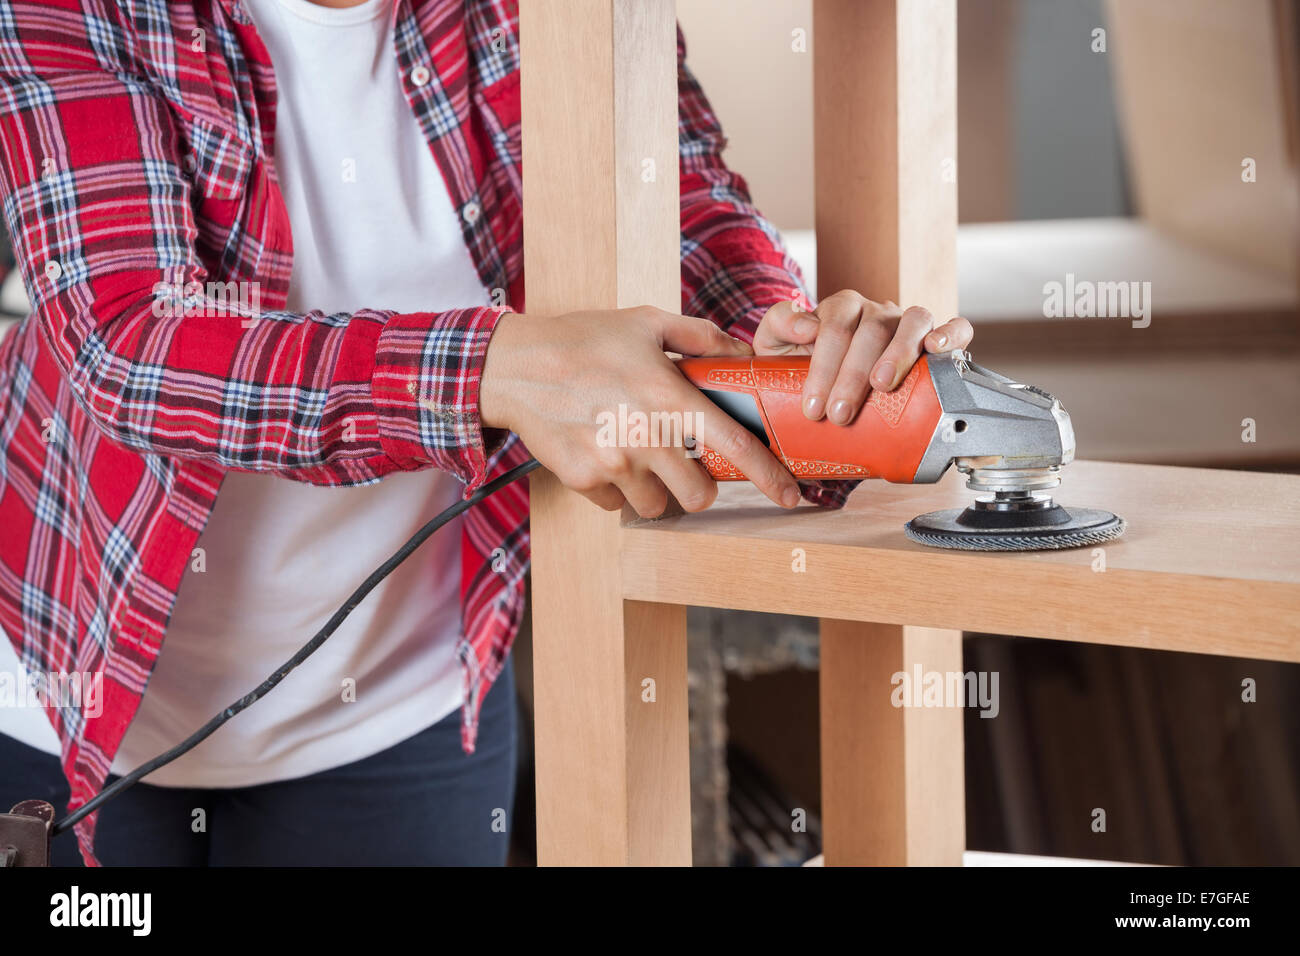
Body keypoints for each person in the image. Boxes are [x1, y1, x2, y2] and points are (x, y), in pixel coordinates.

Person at [0, 0, 972, 866]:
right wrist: (498, 368)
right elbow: (133, 342)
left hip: (400, 709)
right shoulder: (77, 9)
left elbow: (682, 213)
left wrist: (798, 358)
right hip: (65, 692)